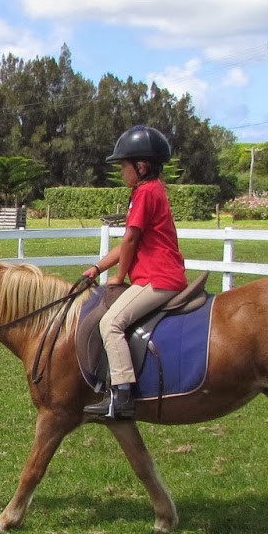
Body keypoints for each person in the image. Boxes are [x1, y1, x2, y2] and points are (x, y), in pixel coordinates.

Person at [78, 125, 187, 421]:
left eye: (124, 166)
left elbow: (130, 239)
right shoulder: (149, 191)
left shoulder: (145, 193)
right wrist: (98, 268)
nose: (122, 172)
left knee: (111, 323)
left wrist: (118, 276)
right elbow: (127, 239)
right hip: (159, 275)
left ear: (141, 166)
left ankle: (122, 394)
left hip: (158, 279)